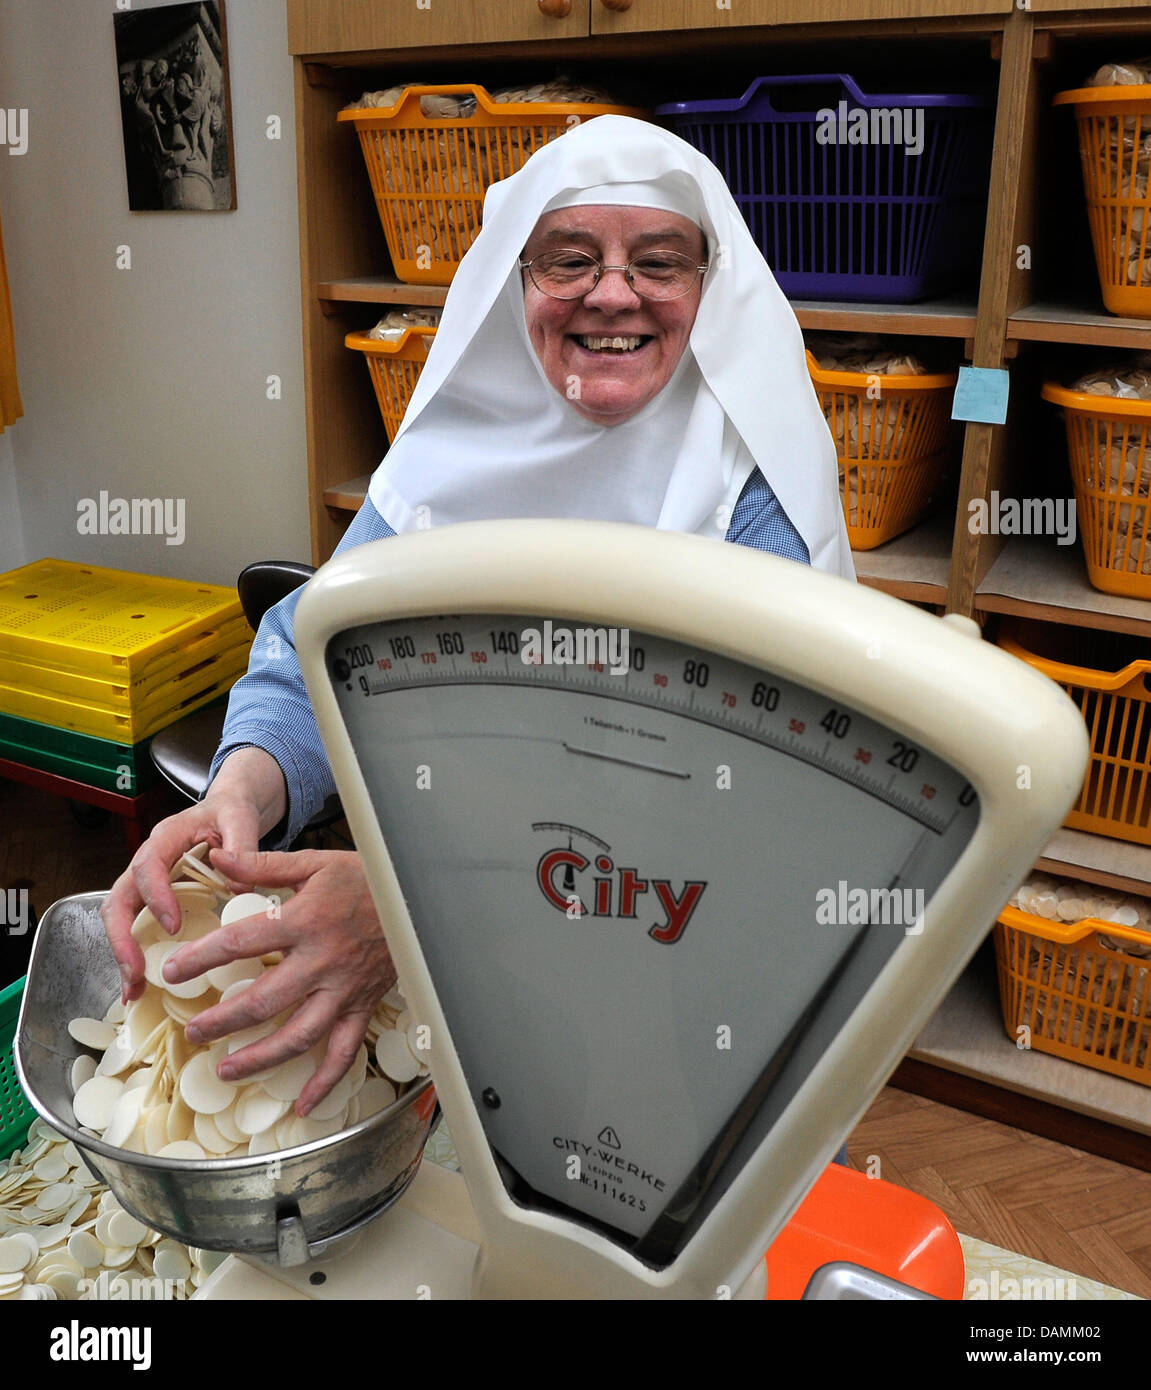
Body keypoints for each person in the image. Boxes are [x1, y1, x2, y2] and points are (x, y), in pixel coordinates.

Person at [101, 115, 854, 1116]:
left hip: (686, 957)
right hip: (480, 951)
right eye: (568, 259)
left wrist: (409, 901)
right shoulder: (462, 444)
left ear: (706, 290)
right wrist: (245, 785)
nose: (612, 292)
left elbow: (730, 785)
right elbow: (316, 645)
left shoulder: (753, 494)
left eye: (657, 261)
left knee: (664, 1181)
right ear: (518, 281)